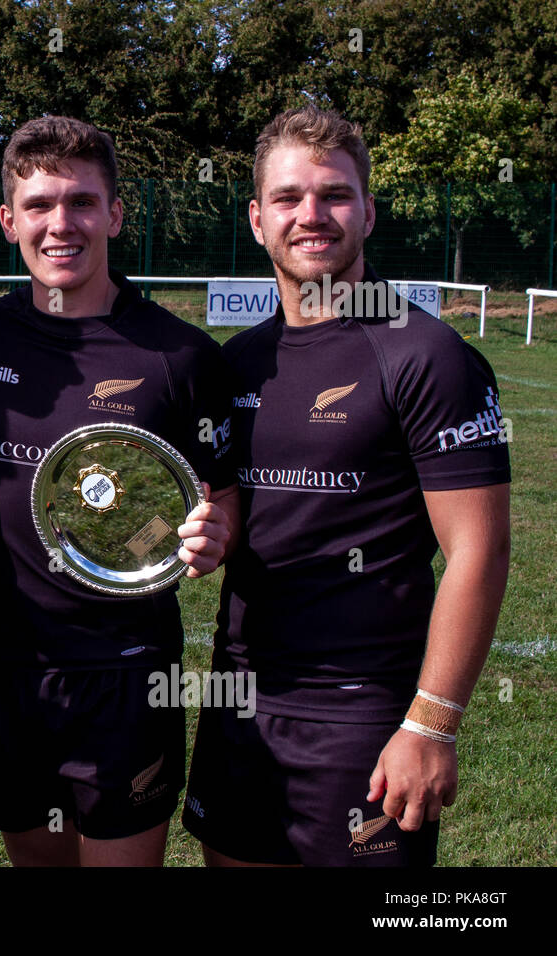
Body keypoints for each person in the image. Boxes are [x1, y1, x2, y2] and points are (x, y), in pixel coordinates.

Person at [181, 106, 511, 867]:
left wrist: (430, 726)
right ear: (258, 220)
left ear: (366, 209)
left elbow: (480, 553)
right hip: (240, 701)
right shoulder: (239, 364)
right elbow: (228, 509)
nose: (312, 216)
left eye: (333, 195)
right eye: (289, 198)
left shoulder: (426, 355)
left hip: (364, 715)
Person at [0, 116, 238, 866]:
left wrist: (218, 531)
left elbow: (227, 491)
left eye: (81, 202)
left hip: (128, 675)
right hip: (7, 670)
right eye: (40, 205)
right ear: (9, 220)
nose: (61, 225)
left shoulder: (181, 357)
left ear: (114, 214)